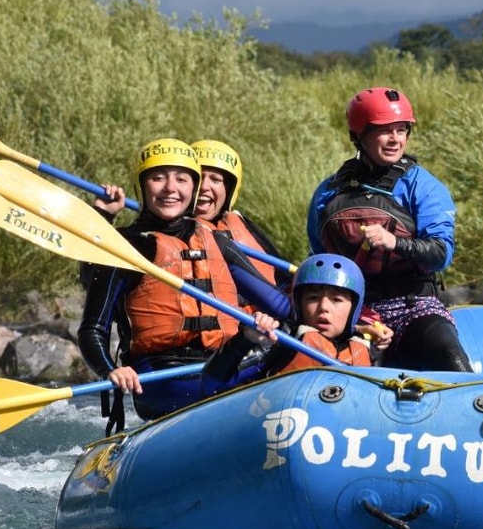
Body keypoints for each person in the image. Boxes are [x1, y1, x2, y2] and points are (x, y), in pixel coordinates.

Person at [77, 138, 286, 424]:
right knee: (237, 369)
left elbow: (279, 304)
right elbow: (92, 328)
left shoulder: (215, 241)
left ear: (193, 187)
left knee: (296, 339)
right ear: (142, 186)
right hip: (164, 383)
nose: (170, 188)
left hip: (220, 365)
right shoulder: (125, 247)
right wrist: (110, 370)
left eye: (182, 179)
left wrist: (333, 318)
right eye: (158, 178)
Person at [306, 86, 471, 372]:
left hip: (414, 306)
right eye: (385, 131)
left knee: (450, 356)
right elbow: (320, 258)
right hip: (354, 312)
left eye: (402, 130)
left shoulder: (423, 186)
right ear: (359, 136)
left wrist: (394, 242)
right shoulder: (328, 193)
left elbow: (441, 253)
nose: (395, 139)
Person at [201, 254, 384, 396]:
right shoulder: (280, 338)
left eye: (336, 300)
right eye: (313, 298)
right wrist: (244, 340)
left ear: (354, 309)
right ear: (298, 303)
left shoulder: (368, 349)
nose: (323, 308)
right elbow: (213, 384)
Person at [189, 139, 292, 289]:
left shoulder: (244, 227)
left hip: (253, 311)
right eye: (197, 178)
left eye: (215, 180)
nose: (204, 186)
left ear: (229, 191)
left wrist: (267, 313)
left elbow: (285, 285)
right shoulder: (163, 231)